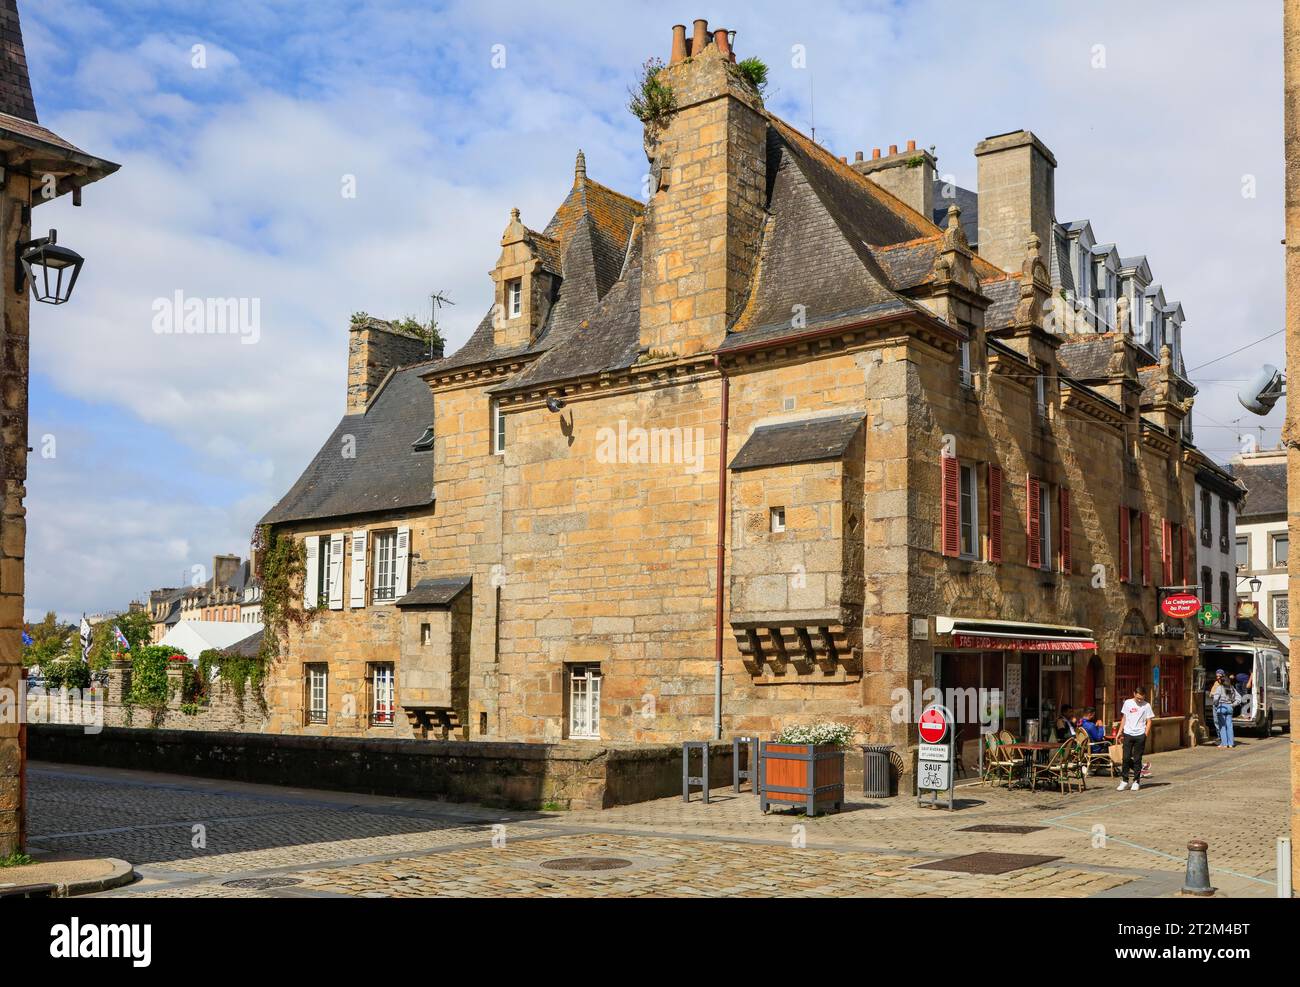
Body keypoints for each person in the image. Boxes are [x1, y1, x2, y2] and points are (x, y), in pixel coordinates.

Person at [1116, 686, 1154, 792]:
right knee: (1126, 758)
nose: (1139, 700)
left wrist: (1145, 734)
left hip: (1140, 734)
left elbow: (1149, 721)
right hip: (1128, 733)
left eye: (1141, 698)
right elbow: (1124, 718)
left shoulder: (1147, 705)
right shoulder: (1127, 703)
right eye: (1138, 698)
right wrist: (1120, 732)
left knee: (1137, 759)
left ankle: (1136, 781)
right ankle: (1124, 780)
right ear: (1134, 694)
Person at [1210, 669, 1238, 749]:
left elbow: (1215, 699)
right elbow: (1238, 698)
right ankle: (1231, 744)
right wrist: (1233, 705)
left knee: (1222, 726)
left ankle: (1224, 744)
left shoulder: (1219, 688)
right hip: (1229, 707)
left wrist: (1216, 704)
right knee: (1229, 726)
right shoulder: (1231, 688)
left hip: (1221, 707)